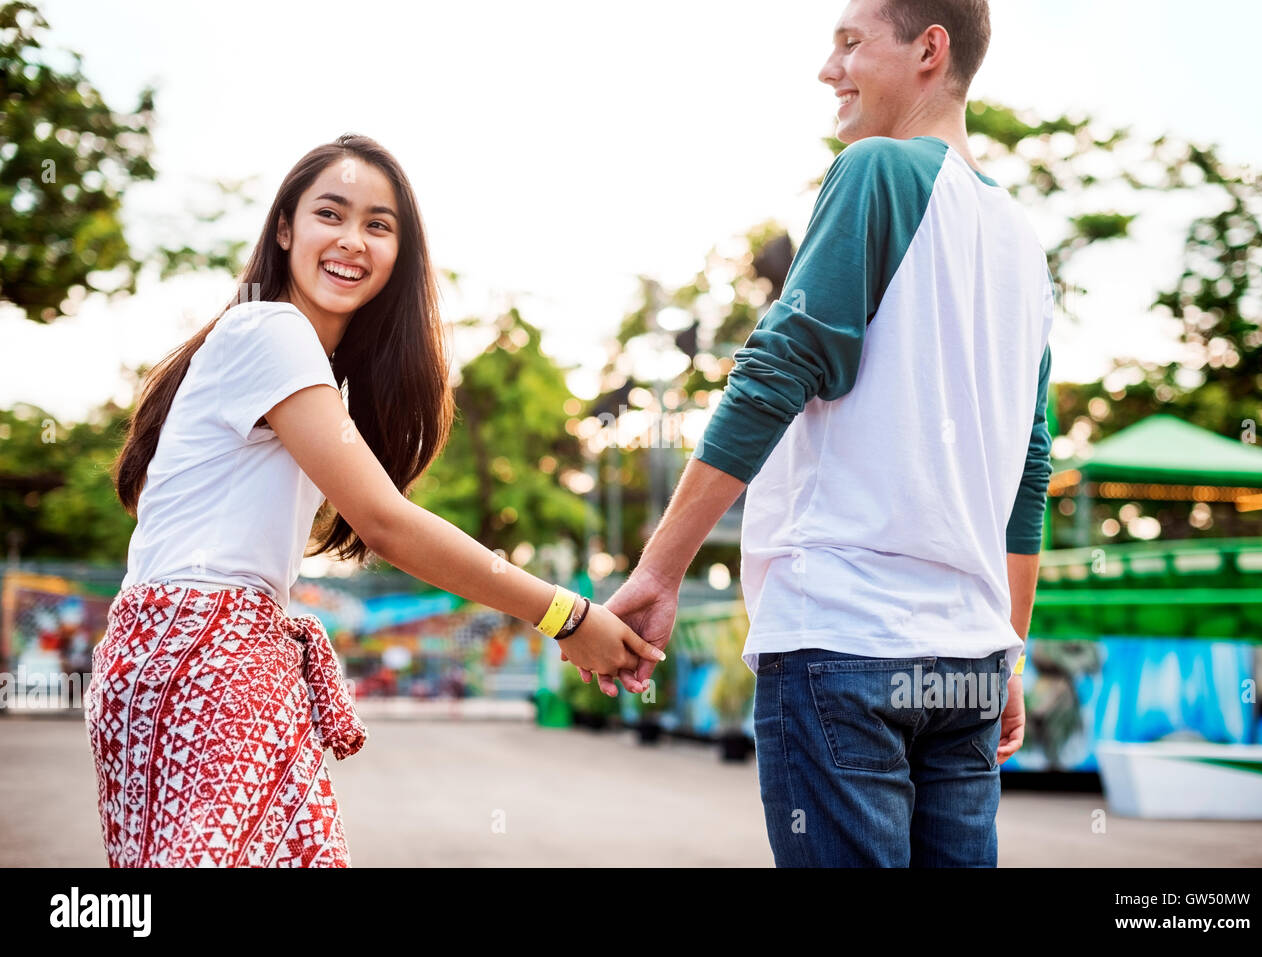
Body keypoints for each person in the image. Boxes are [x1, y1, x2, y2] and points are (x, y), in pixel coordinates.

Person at [85, 133, 663, 868]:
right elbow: (385, 522)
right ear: (286, 228)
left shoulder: (286, 354)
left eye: (378, 225)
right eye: (331, 213)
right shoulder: (273, 330)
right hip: (208, 656)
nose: (352, 240)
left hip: (183, 650)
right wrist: (564, 612)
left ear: (399, 255)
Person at [596, 0, 1053, 866]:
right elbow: (1029, 471)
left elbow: (779, 368)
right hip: (968, 662)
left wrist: (660, 568)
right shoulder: (1023, 243)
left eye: (850, 44)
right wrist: (1010, 650)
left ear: (930, 49)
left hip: (844, 637)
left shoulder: (876, 170)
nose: (827, 69)